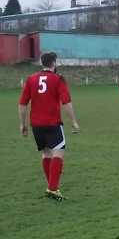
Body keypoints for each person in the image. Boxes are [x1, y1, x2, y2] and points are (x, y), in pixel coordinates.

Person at [18, 51, 80, 200]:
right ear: (54, 63)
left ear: (42, 63)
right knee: (59, 154)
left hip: (36, 124)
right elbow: (66, 102)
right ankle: (52, 188)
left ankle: (51, 187)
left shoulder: (32, 79)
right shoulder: (58, 79)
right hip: (52, 123)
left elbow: (22, 103)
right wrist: (74, 123)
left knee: (46, 153)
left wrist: (23, 124)